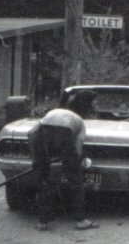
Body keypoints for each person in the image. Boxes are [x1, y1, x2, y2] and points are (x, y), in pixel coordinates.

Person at [28, 90, 99, 231]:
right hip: (65, 133)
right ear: (87, 104)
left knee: (43, 179)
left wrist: (37, 158)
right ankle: (80, 221)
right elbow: (78, 146)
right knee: (75, 180)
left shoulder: (54, 112)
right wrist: (73, 162)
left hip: (43, 131)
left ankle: (43, 222)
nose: (97, 105)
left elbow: (31, 134)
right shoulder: (79, 121)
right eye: (95, 102)